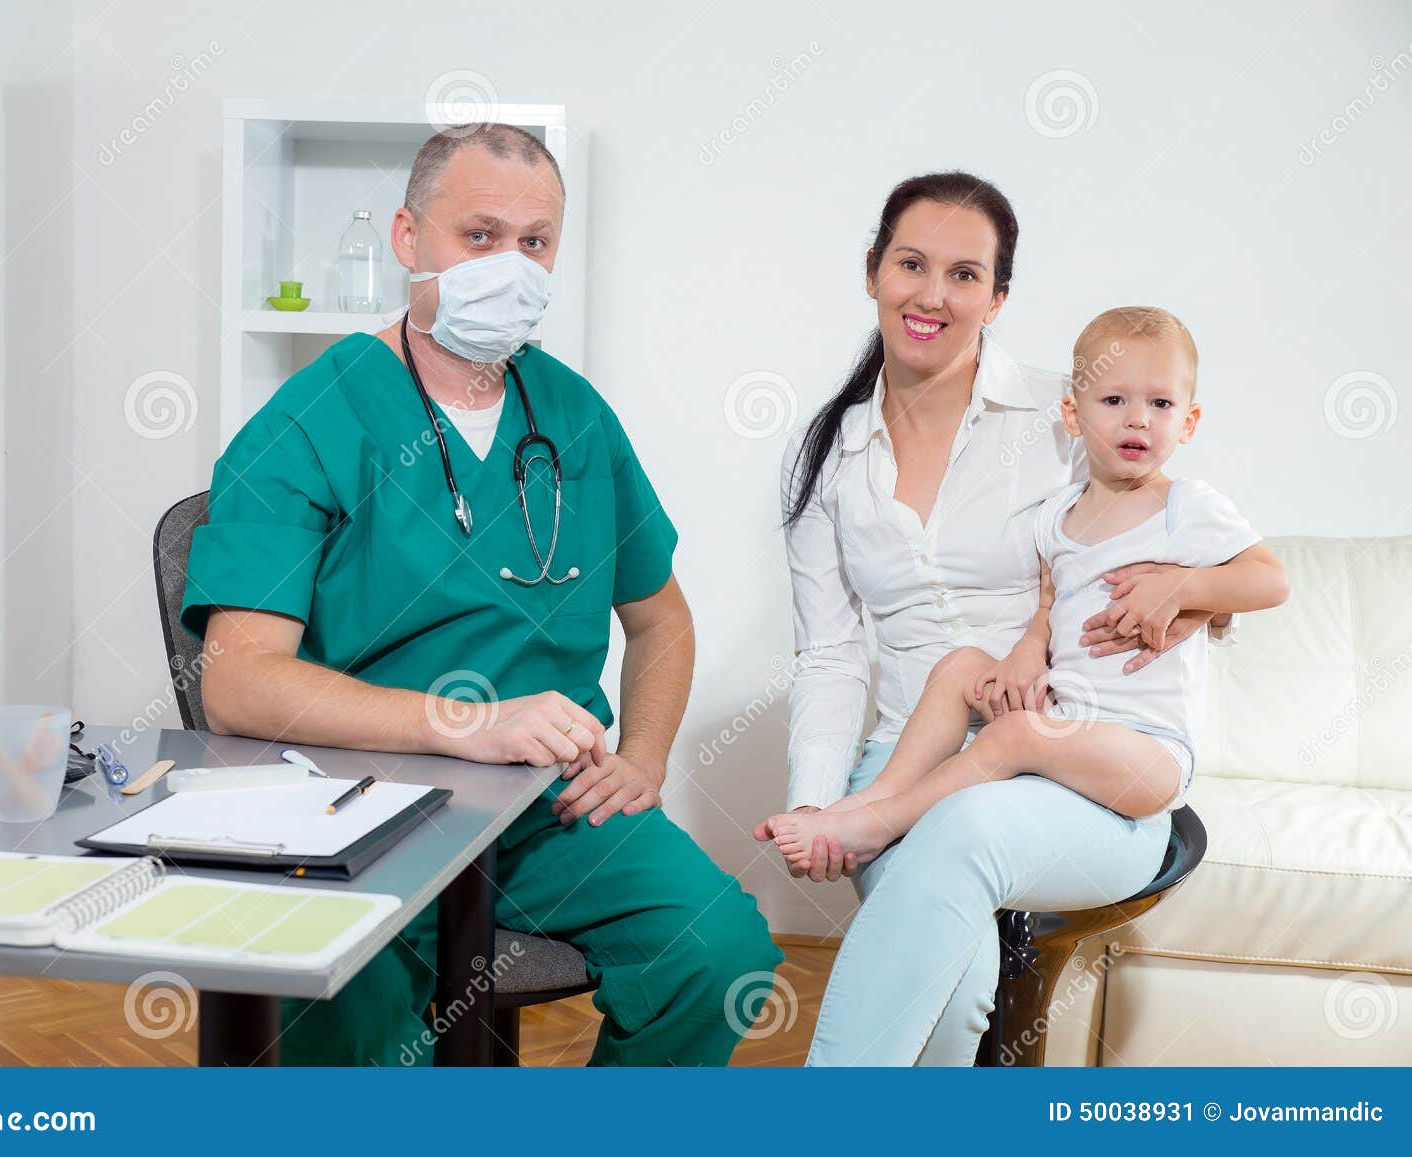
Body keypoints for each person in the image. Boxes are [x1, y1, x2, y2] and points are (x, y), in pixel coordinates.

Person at [179, 123, 779, 1066]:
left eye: (535, 242)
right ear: (409, 238)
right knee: (372, 1040)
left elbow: (660, 618)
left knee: (717, 953)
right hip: (362, 809)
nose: (511, 265)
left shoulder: (573, 416)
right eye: (480, 235)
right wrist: (469, 725)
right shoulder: (307, 420)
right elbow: (238, 683)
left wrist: (646, 755)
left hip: (550, 811)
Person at [766, 172, 1285, 1066]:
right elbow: (830, 657)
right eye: (912, 264)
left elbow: (1184, 553)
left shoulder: (1078, 414)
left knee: (965, 831)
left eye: (965, 275)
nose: (933, 295)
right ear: (873, 272)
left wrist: (1179, 597)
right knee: (957, 981)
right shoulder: (827, 455)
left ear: (998, 297)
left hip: (1069, 755)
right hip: (913, 755)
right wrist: (819, 804)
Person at [758, 306, 1288, 866]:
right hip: (1068, 717)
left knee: (1016, 736)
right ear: (1073, 414)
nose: (1138, 420)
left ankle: (882, 824)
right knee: (961, 664)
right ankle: (866, 799)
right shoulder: (1057, 514)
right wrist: (1027, 654)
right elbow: (1046, 606)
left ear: (1188, 421)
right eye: (1114, 401)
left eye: (1160, 404)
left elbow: (1270, 580)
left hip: (1148, 753)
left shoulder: (1187, 506)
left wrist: (1182, 590)